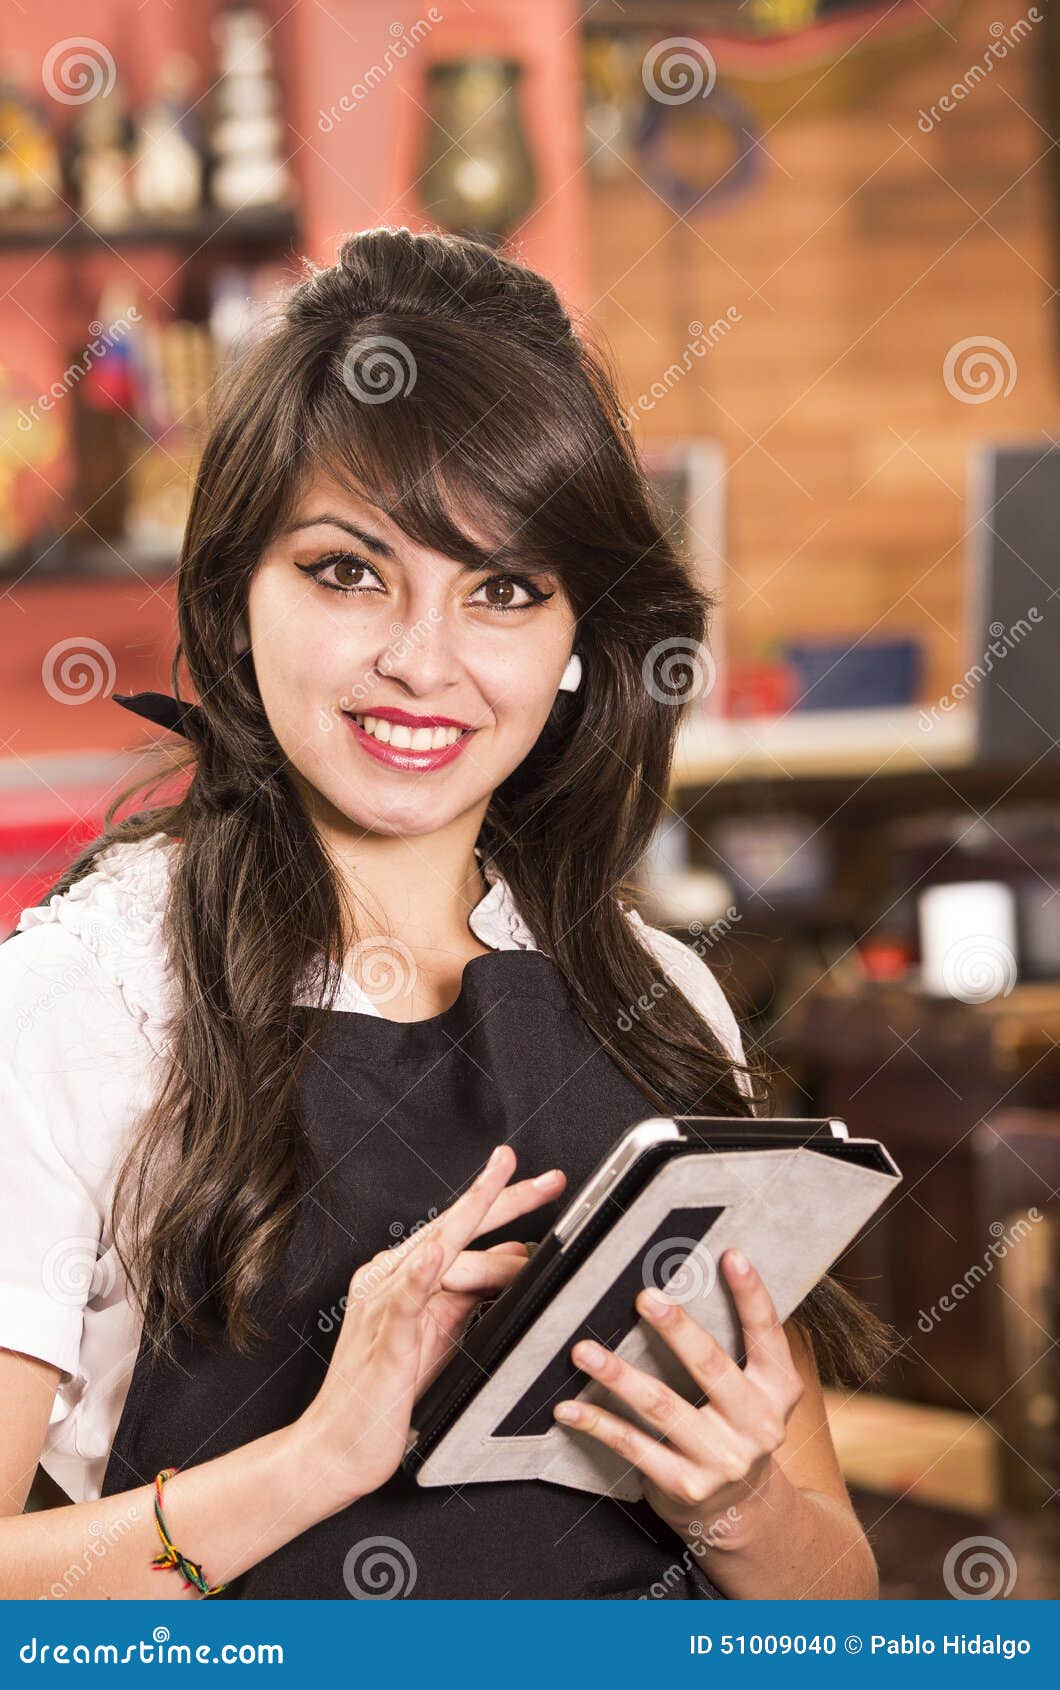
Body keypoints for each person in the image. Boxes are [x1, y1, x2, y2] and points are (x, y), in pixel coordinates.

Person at [0, 227, 892, 1601]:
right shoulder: (82, 1000)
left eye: (504, 590)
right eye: (348, 570)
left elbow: (834, 1598)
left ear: (579, 639)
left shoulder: (658, 1000)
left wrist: (736, 1501)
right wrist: (312, 1460)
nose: (423, 662)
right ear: (237, 594)